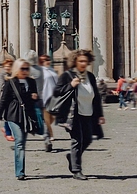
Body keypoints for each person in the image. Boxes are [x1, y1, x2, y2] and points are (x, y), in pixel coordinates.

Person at [52, 49, 105, 180]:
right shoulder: (67, 75)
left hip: (88, 112)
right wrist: (71, 85)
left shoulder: (90, 76)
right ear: (75, 61)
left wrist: (100, 114)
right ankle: (77, 170)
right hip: (73, 113)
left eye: (85, 61)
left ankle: (72, 157)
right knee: (77, 140)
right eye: (81, 61)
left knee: (87, 139)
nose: (83, 63)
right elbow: (56, 91)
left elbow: (96, 97)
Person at [0, 58, 41, 180]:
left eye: (27, 69)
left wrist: (35, 97)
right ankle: (20, 172)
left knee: (22, 142)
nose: (25, 71)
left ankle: (21, 169)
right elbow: (3, 101)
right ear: (16, 69)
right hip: (13, 115)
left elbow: (34, 99)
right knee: (19, 141)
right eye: (22, 68)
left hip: (27, 115)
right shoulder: (10, 82)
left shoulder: (31, 82)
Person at [37, 54, 58, 152]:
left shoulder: (52, 70)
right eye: (46, 60)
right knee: (46, 117)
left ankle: (45, 131)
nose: (48, 61)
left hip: (54, 96)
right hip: (45, 96)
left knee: (53, 116)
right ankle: (49, 135)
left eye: (49, 59)